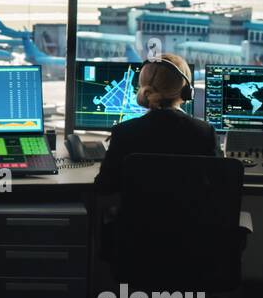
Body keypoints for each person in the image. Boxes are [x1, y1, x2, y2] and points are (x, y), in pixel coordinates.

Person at [93, 52, 218, 196]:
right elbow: (220, 184)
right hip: (191, 218)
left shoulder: (123, 132)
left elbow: (104, 185)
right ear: (186, 92)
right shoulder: (205, 132)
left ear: (143, 88)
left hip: (137, 218)